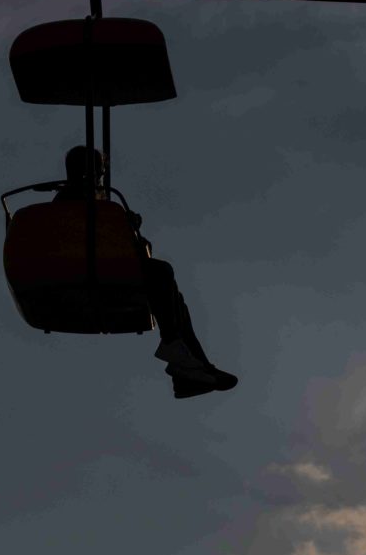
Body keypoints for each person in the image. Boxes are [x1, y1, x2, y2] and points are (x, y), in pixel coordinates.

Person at [56, 146, 238, 399]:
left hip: (98, 268)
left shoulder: (94, 202)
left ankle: (192, 366)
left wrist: (126, 226)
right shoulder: (71, 200)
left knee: (176, 300)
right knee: (160, 272)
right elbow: (85, 240)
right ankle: (177, 350)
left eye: (100, 172)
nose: (97, 178)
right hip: (86, 272)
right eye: (95, 172)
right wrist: (122, 225)